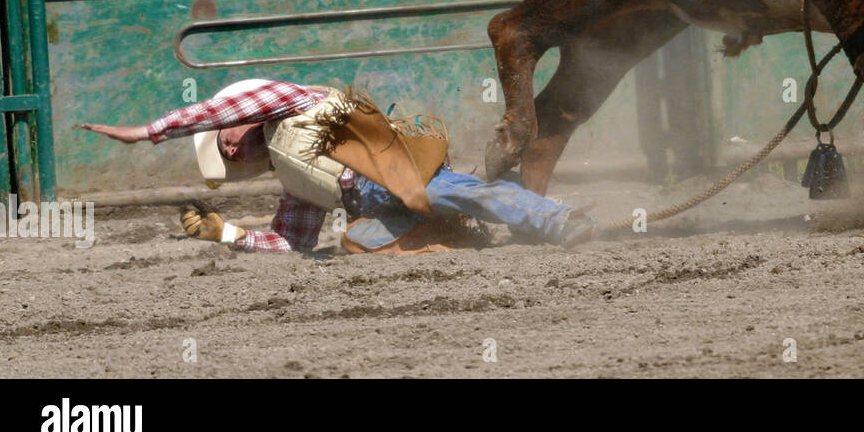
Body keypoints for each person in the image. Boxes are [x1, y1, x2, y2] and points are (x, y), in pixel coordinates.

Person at [82, 79, 596, 253]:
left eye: (227, 140)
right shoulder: (293, 182)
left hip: (388, 169)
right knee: (358, 245)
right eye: (226, 156)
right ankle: (457, 231)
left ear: (239, 118)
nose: (231, 152)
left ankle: (558, 220)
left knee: (454, 192)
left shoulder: (291, 101)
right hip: (370, 205)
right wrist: (227, 233)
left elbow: (220, 110)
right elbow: (291, 243)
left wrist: (149, 132)